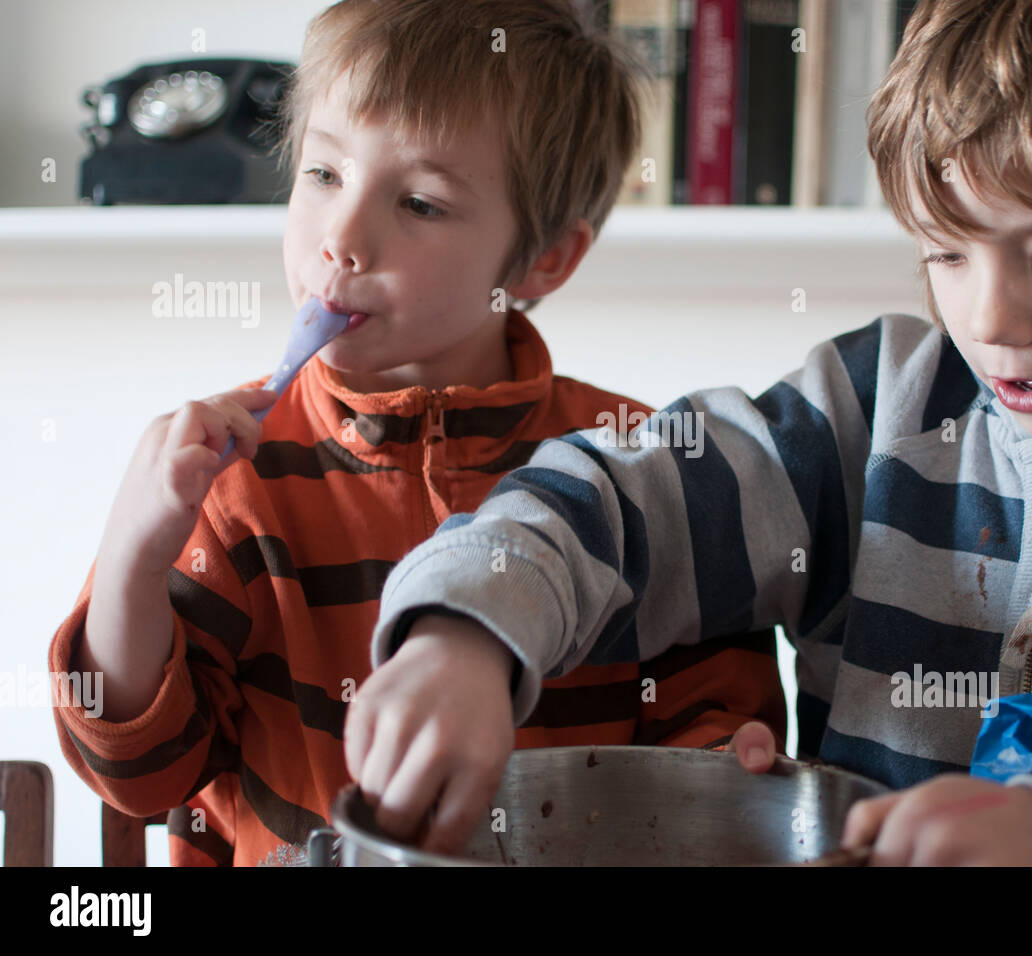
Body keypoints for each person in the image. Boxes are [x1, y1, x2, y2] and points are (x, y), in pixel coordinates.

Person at [353, 0, 1032, 865]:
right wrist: (465, 629)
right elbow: (618, 495)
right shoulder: (879, 408)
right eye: (945, 252)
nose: (994, 319)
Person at [48, 0, 784, 867]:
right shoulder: (230, 477)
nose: (342, 239)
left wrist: (732, 764)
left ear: (545, 257)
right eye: (323, 173)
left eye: (421, 204)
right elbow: (139, 774)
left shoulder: (639, 469)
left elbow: (713, 743)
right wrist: (133, 553)